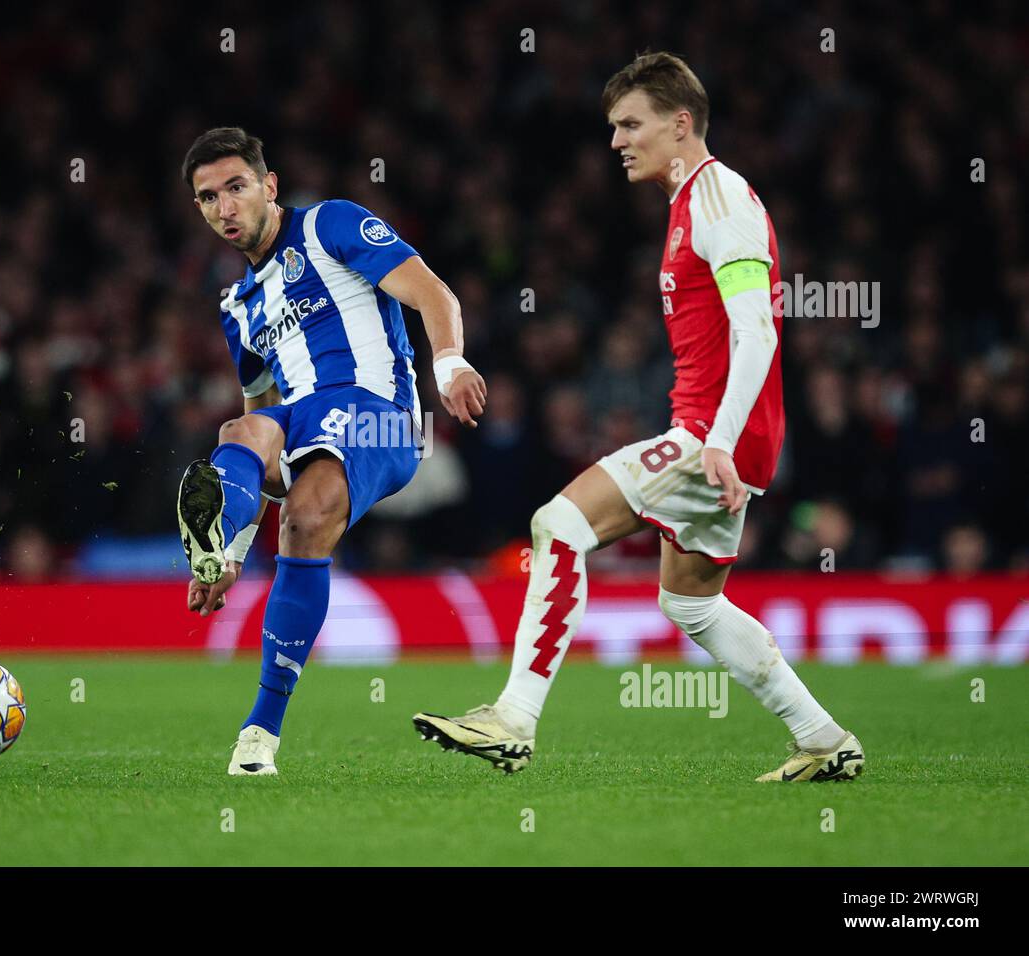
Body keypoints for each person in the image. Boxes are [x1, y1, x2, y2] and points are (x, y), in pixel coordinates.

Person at [414, 54, 863, 783]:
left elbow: (760, 331)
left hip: (714, 433)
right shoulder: (691, 202)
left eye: (631, 124)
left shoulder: (720, 200)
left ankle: (513, 718)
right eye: (613, 127)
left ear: (680, 124)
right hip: (726, 433)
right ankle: (824, 738)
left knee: (558, 525)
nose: (617, 140)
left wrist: (716, 442)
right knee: (691, 604)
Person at [177, 127, 487, 776]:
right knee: (247, 448)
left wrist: (451, 364)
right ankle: (256, 730)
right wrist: (235, 551)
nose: (225, 207)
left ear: (269, 186)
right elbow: (261, 415)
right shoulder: (238, 306)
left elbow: (433, 293)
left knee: (290, 491)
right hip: (303, 423)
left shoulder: (332, 225)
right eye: (208, 198)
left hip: (381, 419)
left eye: (236, 187)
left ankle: (262, 706)